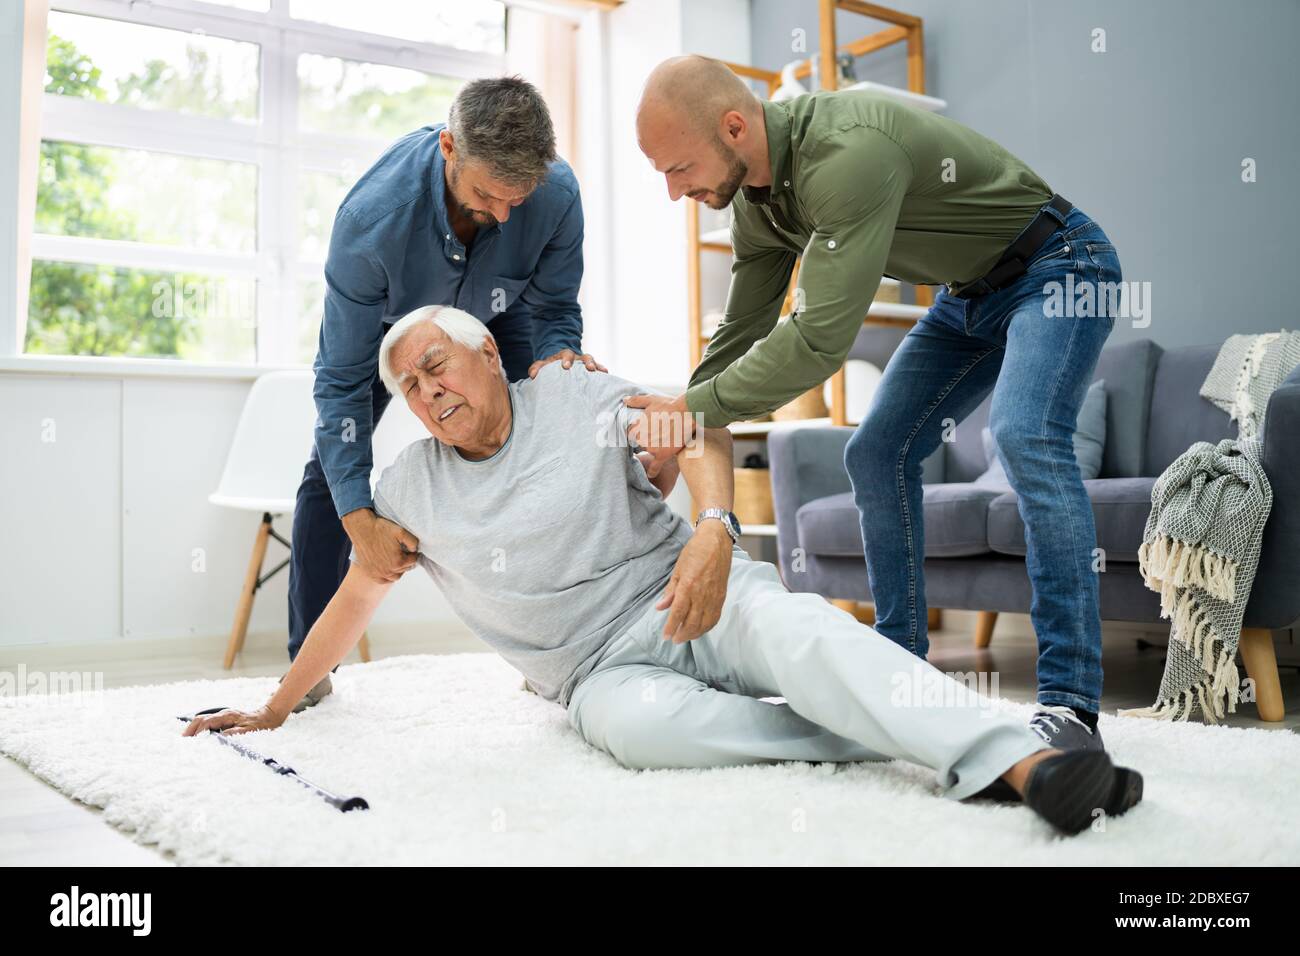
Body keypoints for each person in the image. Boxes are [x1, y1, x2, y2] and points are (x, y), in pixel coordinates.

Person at [185, 306, 1144, 836]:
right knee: (640, 732)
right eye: (411, 386)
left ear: (488, 352)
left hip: (692, 594)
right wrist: (277, 704)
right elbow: (357, 596)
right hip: (601, 672)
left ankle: (1030, 765)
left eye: (440, 363)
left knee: (806, 636)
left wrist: (714, 529)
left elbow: (695, 433)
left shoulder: (576, 396)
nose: (430, 391)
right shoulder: (411, 488)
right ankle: (894, 733)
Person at [628, 55, 1124, 753]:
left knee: (1024, 436)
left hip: (1061, 265)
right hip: (968, 296)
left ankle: (1071, 705)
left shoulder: (847, 152)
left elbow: (819, 339)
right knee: (876, 451)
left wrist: (689, 404)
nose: (675, 192)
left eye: (678, 169)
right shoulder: (755, 203)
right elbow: (739, 333)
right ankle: (900, 673)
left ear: (734, 127)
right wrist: (686, 423)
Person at [287, 76, 610, 705]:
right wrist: (361, 517)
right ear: (448, 148)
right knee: (327, 477)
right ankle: (307, 671)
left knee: (545, 452)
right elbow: (341, 385)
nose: (505, 214)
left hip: (500, 310)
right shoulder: (369, 224)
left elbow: (553, 312)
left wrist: (558, 369)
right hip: (395, 320)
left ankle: (557, 648)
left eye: (521, 197)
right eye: (489, 194)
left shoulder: (556, 192)